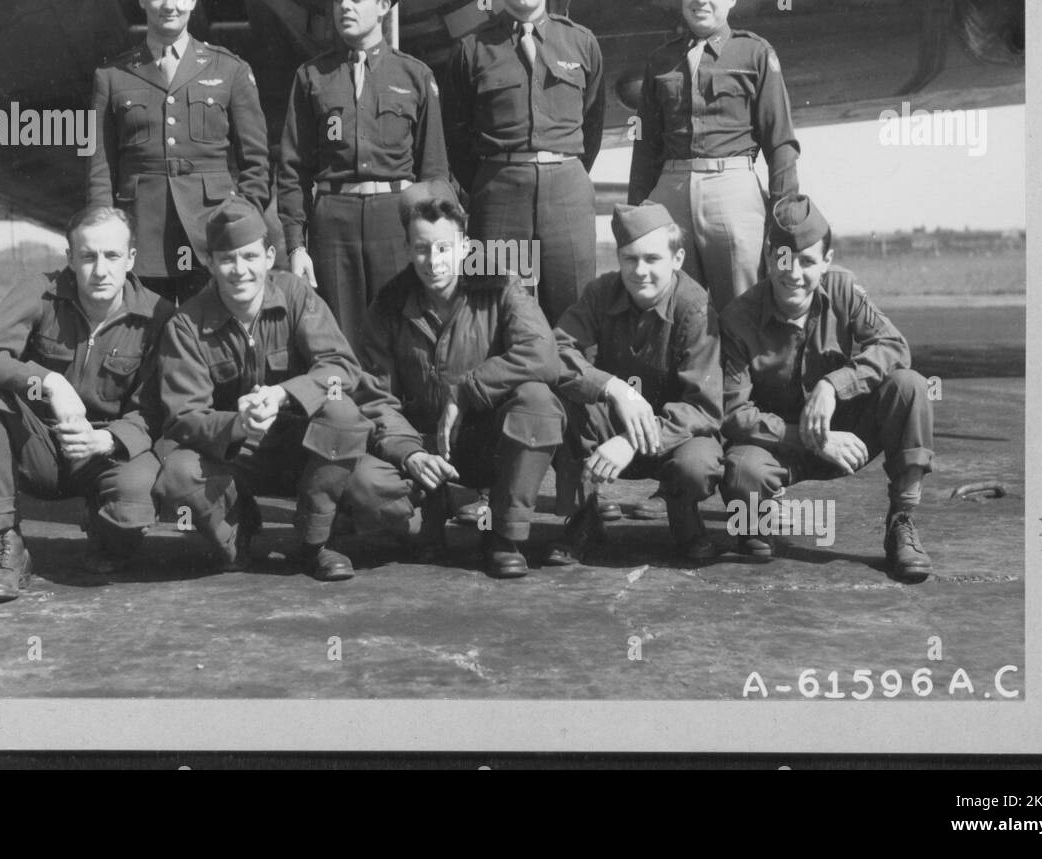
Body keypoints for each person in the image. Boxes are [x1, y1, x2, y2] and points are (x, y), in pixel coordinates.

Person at [0, 206, 173, 602]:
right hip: (41, 448)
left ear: (132, 259)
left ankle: (106, 527)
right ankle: (7, 549)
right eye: (88, 257)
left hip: (106, 455)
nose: (100, 270)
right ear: (70, 258)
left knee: (130, 513)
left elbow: (157, 409)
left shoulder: (158, 316)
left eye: (112, 256)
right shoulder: (41, 291)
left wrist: (108, 441)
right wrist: (46, 381)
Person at [151, 197, 375, 581]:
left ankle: (314, 542)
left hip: (301, 450)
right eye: (227, 259)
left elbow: (341, 368)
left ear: (270, 256)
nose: (240, 270)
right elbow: (182, 418)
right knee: (178, 474)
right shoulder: (186, 324)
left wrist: (283, 394)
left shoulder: (296, 295)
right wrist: (239, 424)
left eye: (250, 257)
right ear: (209, 263)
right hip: (236, 457)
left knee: (343, 414)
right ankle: (238, 530)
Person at [349, 185, 565, 579]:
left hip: (486, 441)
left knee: (538, 401)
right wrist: (409, 453)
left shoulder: (500, 285)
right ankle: (433, 508)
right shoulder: (388, 305)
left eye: (444, 249)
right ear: (408, 247)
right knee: (364, 485)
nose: (433, 262)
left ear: (464, 246)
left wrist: (465, 390)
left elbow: (543, 353)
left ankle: (504, 534)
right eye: (421, 249)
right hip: (423, 448)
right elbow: (375, 395)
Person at [718, 194, 935, 581]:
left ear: (827, 261)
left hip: (849, 436)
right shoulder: (737, 319)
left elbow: (895, 347)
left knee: (910, 387)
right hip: (782, 444)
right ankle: (758, 520)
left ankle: (902, 520)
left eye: (807, 261)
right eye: (783, 259)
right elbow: (734, 414)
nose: (793, 274)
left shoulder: (844, 290)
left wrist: (833, 385)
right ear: (769, 258)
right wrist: (812, 439)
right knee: (740, 471)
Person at [278, 0, 450, 349]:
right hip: (333, 222)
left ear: (384, 4)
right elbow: (292, 168)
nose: (345, 6)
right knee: (342, 336)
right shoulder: (311, 77)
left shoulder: (415, 76)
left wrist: (434, 239)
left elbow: (434, 171)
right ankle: (350, 411)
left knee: (406, 332)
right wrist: (296, 246)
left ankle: (406, 413)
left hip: (397, 220)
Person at [87, 0, 273, 304]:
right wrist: (104, 233)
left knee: (208, 347)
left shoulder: (230, 69)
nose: (168, 5)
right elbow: (98, 165)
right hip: (142, 236)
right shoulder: (110, 76)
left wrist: (241, 225)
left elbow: (257, 161)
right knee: (140, 345)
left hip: (212, 236)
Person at [442, 0, 605, 327]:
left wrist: (561, 170)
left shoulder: (582, 43)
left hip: (566, 192)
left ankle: (573, 392)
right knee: (491, 310)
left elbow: (593, 123)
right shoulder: (472, 49)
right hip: (498, 194)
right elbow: (456, 135)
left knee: (573, 311)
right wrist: (492, 178)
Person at [628, 0, 800, 313]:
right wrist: (637, 216)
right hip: (670, 191)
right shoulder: (661, 60)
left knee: (743, 305)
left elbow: (780, 142)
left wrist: (784, 220)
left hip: (733, 190)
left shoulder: (755, 53)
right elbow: (645, 148)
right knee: (670, 307)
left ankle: (743, 375)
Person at [551, 202, 725, 565]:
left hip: (674, 437)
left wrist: (633, 440)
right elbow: (556, 353)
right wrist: (614, 387)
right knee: (554, 404)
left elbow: (703, 407)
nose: (640, 271)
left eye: (652, 259)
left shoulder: (694, 308)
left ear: (677, 259)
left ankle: (684, 518)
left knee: (699, 464)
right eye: (630, 259)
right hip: (611, 423)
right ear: (618, 258)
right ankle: (583, 516)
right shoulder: (601, 293)